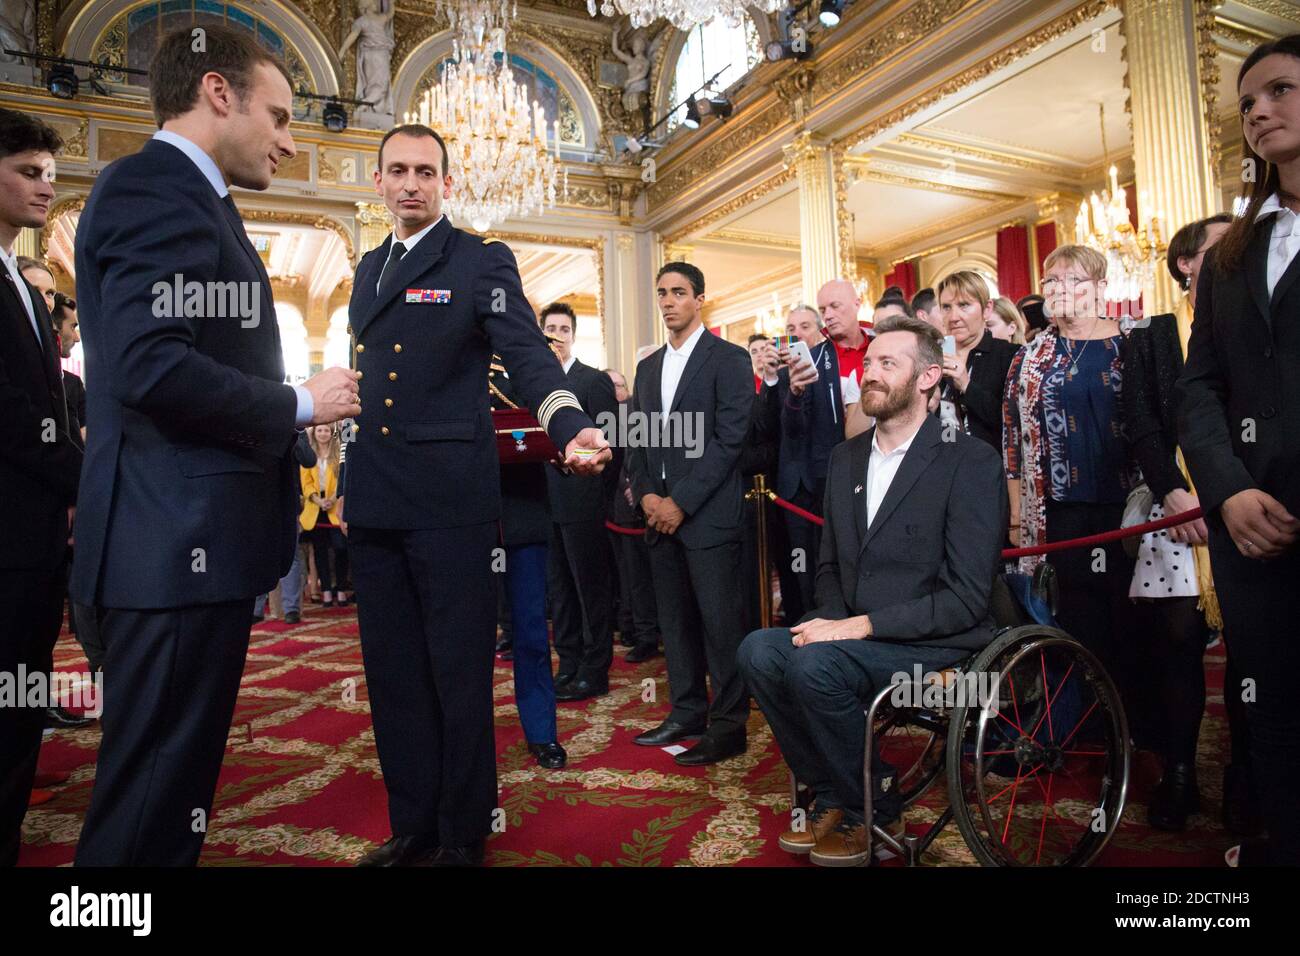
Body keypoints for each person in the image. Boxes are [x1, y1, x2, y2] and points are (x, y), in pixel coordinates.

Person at [70, 26, 360, 866]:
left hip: (184, 550)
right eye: (277, 115)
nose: (290, 139)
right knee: (142, 815)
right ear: (218, 93)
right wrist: (299, 400)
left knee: (167, 802)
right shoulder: (155, 187)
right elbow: (149, 366)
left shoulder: (194, 199)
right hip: (170, 553)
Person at [340, 123, 608, 868]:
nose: (411, 184)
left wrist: (571, 427)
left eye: (426, 171)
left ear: (446, 184)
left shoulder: (478, 257)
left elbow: (525, 354)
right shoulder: (367, 268)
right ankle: (413, 825)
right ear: (379, 182)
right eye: (397, 170)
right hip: (376, 498)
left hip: (449, 500)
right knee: (393, 675)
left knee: (456, 674)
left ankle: (462, 834)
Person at [738, 314, 1006, 867]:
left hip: (943, 640)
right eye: (871, 363)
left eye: (889, 364)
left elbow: (966, 597)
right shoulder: (846, 458)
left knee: (817, 668)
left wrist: (854, 630)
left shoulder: (970, 459)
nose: (872, 375)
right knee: (760, 651)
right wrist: (832, 624)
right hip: (860, 635)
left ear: (929, 377)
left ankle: (876, 809)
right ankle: (838, 793)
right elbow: (830, 566)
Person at [1177, 34, 1300, 866]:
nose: (1258, 110)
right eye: (1248, 101)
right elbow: (1199, 388)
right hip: (1254, 525)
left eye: (1281, 91)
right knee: (1278, 716)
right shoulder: (1230, 255)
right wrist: (1225, 490)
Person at [1003, 244, 1143, 732]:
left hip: (1130, 509)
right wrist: (1018, 509)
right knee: (1074, 621)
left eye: (1074, 281)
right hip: (1058, 512)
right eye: (1052, 282)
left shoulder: (1130, 346)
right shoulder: (1030, 356)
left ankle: (1134, 723)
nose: (1061, 291)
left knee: (1130, 619)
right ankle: (1082, 723)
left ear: (1101, 289)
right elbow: (1012, 441)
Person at [1123, 213, 1232, 832]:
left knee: (1252, 653)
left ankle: (1245, 781)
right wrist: (1173, 490)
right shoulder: (1156, 335)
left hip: (1248, 505)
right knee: (1177, 645)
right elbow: (1141, 422)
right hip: (1177, 511)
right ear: (1187, 263)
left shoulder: (1259, 317)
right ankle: (1182, 774)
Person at [627, 261, 753, 766]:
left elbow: (730, 440)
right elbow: (636, 440)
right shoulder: (647, 366)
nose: (668, 302)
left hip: (708, 516)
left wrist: (682, 501)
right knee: (675, 624)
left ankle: (729, 727)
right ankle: (685, 712)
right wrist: (647, 497)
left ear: (700, 299)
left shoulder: (729, 358)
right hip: (658, 518)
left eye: (679, 292)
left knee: (721, 626)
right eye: (662, 293)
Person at [0, 108, 83, 867]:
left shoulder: (26, 289)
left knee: (19, 711)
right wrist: (95, 476)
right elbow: (15, 418)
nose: (45, 189)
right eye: (29, 172)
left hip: (30, 542)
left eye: (52, 177)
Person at [539, 301, 621, 702]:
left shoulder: (592, 380)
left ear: (573, 335)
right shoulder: (534, 383)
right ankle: (568, 663)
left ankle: (595, 669)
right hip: (544, 504)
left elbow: (612, 443)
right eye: (550, 329)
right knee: (559, 591)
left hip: (584, 500)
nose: (556, 336)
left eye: (563, 329)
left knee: (590, 589)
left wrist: (577, 461)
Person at [490, 356, 566, 768]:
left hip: (523, 514)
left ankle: (541, 732)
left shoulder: (517, 368)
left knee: (532, 633)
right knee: (461, 638)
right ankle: (467, 733)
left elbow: (547, 420)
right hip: (462, 519)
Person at [761, 304, 844, 624]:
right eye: (791, 327)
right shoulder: (780, 377)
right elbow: (776, 428)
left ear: (820, 331)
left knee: (827, 561)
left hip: (826, 482)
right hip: (791, 486)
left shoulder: (831, 369)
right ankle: (801, 620)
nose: (796, 332)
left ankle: (828, 620)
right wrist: (779, 383)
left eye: (805, 326)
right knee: (798, 564)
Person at [606, 367, 661, 663]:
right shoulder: (601, 416)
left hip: (654, 502)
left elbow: (649, 451)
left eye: (620, 384)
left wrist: (639, 487)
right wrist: (627, 487)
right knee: (633, 578)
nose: (617, 390)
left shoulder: (639, 410)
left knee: (660, 574)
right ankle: (643, 634)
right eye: (610, 385)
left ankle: (660, 630)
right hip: (622, 510)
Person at [935, 271, 1017, 451]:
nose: (954, 317)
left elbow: (1013, 423)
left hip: (990, 467)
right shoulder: (932, 357)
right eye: (946, 307)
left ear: (987, 309)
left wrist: (967, 385)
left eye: (964, 305)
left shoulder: (1009, 355)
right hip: (943, 466)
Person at [300, 423, 349, 608]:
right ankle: (326, 590)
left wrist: (332, 498)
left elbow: (341, 477)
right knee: (319, 552)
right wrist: (317, 500)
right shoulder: (309, 454)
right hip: (315, 507)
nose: (322, 433)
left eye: (326, 430)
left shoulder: (338, 454)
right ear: (314, 433)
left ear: (331, 433)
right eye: (319, 430)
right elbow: (306, 482)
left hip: (335, 506)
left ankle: (341, 588)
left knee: (340, 549)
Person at [817, 279, 872, 439]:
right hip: (839, 454)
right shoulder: (815, 361)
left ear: (857, 304)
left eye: (835, 306)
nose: (827, 316)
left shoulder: (882, 346)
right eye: (822, 310)